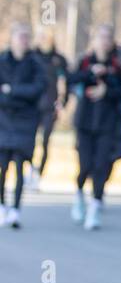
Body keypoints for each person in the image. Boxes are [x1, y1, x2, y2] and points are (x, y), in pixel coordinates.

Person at [66, 25, 121, 230]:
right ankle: (78, 195)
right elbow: (71, 80)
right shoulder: (84, 61)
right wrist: (89, 74)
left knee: (101, 165)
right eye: (101, 37)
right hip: (85, 122)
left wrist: (106, 90)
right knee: (85, 165)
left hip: (107, 123)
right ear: (94, 39)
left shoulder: (117, 64)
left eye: (108, 38)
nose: (104, 41)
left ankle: (95, 206)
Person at [0, 24, 45, 228]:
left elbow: (36, 90)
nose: (23, 41)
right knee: (3, 167)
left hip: (25, 123)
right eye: (20, 37)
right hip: (3, 121)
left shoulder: (35, 63)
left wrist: (12, 91)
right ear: (12, 39)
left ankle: (16, 209)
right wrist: (14, 95)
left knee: (20, 166)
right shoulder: (2, 60)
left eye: (26, 38)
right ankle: (2, 205)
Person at [31, 27, 68, 187]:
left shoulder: (58, 59)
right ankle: (30, 169)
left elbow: (64, 82)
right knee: (30, 140)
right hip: (32, 106)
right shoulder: (32, 57)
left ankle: (39, 173)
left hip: (50, 106)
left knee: (45, 141)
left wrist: (61, 103)